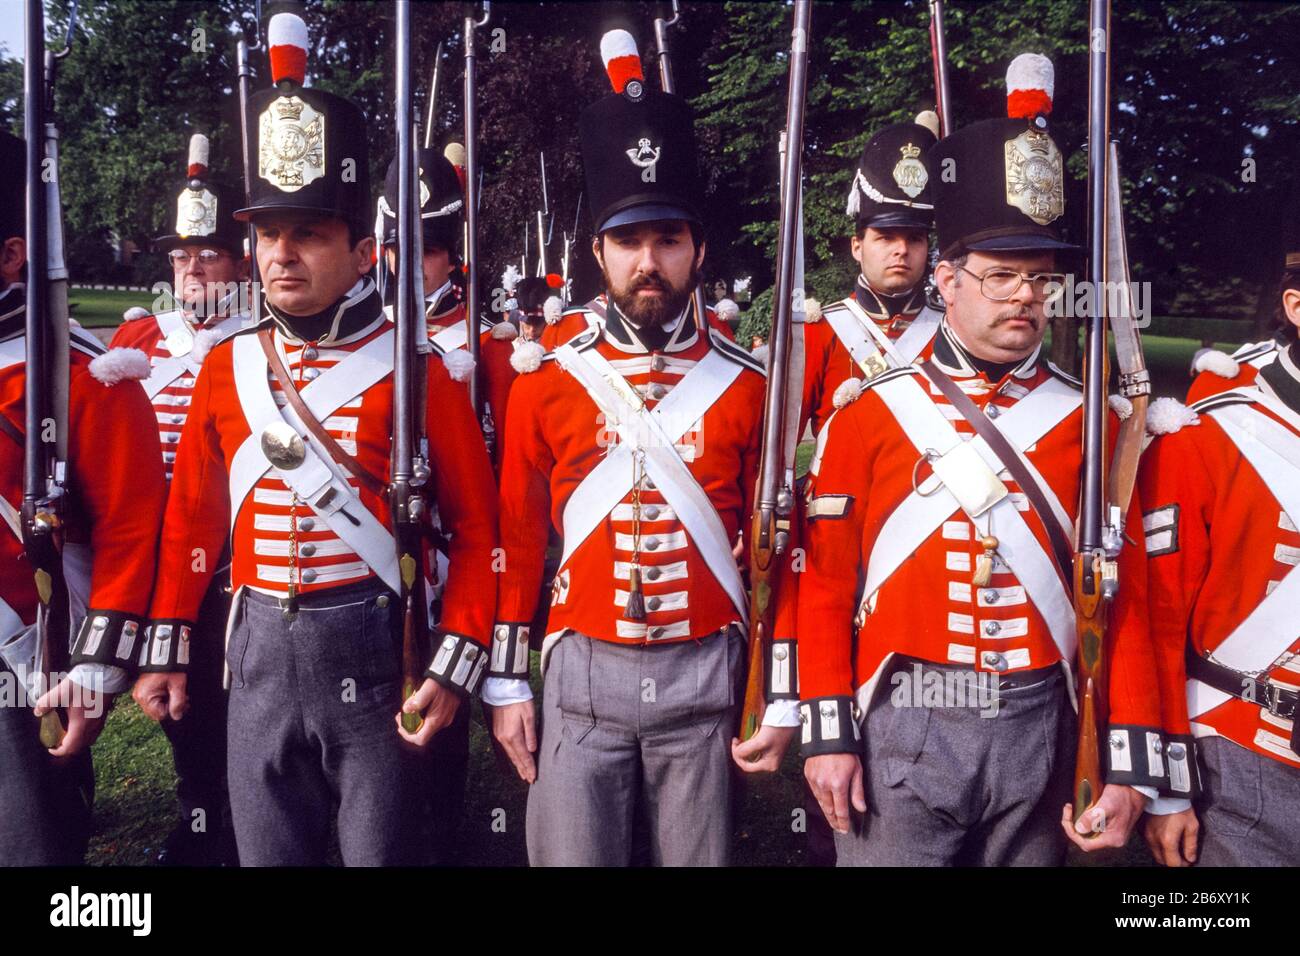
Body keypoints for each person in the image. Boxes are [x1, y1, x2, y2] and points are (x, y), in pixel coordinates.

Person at [130, 13, 498, 866]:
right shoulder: (229, 368)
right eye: (266, 234)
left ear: (363, 250)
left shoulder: (420, 374)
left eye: (308, 234)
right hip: (253, 643)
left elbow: (480, 537)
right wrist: (169, 643)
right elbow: (191, 526)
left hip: (377, 641)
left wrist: (456, 658)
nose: (280, 255)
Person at [796, 55, 1167, 866]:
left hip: (1042, 719)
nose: (1022, 299)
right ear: (949, 281)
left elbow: (1122, 598)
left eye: (1038, 280)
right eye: (1000, 276)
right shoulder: (875, 411)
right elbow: (825, 584)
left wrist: (1126, 760)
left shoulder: (1089, 421)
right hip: (909, 708)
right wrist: (828, 725)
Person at [486, 29, 796, 866]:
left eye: (667, 241)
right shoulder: (546, 380)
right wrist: (511, 679)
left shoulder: (750, 384)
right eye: (628, 243)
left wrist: (782, 687)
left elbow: (779, 550)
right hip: (582, 671)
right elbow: (517, 542)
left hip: (706, 678)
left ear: (697, 249)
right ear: (599, 254)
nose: (648, 264)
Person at [0, 129, 167, 864]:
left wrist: (94, 670)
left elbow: (132, 528)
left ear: (11, 254)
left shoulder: (85, 377)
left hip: (21, 665)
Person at [1137, 212, 1300, 866]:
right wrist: (1168, 790)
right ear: (1296, 304)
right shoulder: (1206, 436)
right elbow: (1156, 620)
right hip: (1241, 753)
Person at [109, 131, 250, 865]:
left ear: (239, 260)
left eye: (208, 255)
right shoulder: (139, 335)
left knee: (221, 694)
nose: (191, 271)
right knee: (169, 693)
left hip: (229, 553)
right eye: (180, 257)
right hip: (152, 545)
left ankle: (230, 818)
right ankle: (197, 807)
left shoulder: (262, 337)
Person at [377, 146, 517, 471]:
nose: (412, 261)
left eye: (427, 251)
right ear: (386, 255)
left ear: (452, 260)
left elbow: (508, 457)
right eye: (400, 250)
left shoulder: (489, 344)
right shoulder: (377, 330)